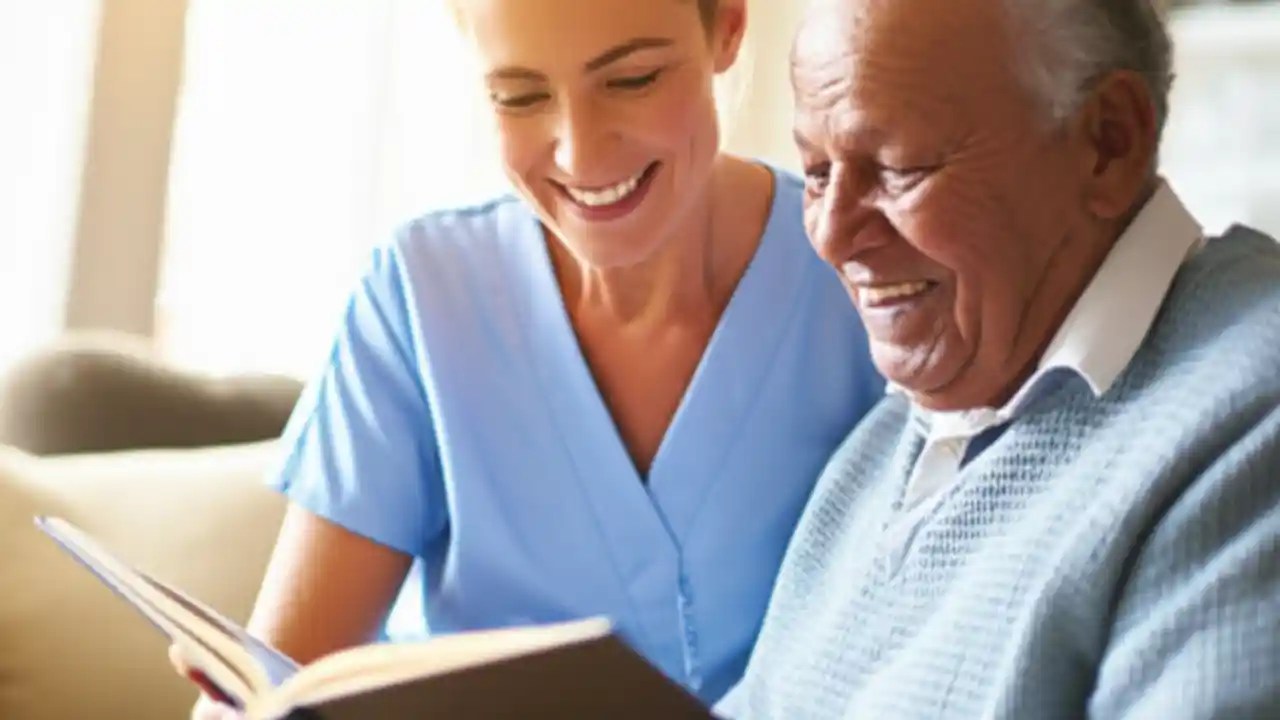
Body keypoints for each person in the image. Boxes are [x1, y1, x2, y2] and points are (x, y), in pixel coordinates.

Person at [175, 0, 884, 717]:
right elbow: (280, 680)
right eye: (519, 96)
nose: (580, 154)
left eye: (632, 79)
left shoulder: (864, 281)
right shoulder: (422, 296)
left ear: (727, 27)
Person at [719, 0, 1280, 717]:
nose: (832, 237)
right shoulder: (889, 441)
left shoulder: (1248, 422)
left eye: (898, 167)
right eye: (819, 173)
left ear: (1108, 143)